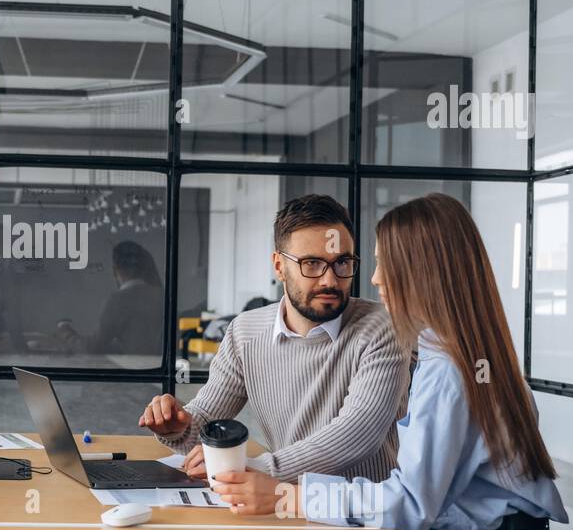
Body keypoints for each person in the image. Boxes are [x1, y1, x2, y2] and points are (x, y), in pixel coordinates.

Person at [210, 194, 568, 530]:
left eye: (385, 265)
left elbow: (412, 504)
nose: (375, 279)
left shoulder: (448, 373)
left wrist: (289, 496)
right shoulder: (459, 351)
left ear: (423, 273)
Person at [139, 194, 406, 481]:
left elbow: (358, 434)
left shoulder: (385, 328)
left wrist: (259, 467)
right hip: (281, 505)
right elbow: (203, 426)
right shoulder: (246, 332)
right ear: (279, 266)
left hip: (363, 518)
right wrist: (177, 427)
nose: (330, 280)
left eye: (342, 262)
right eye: (312, 263)